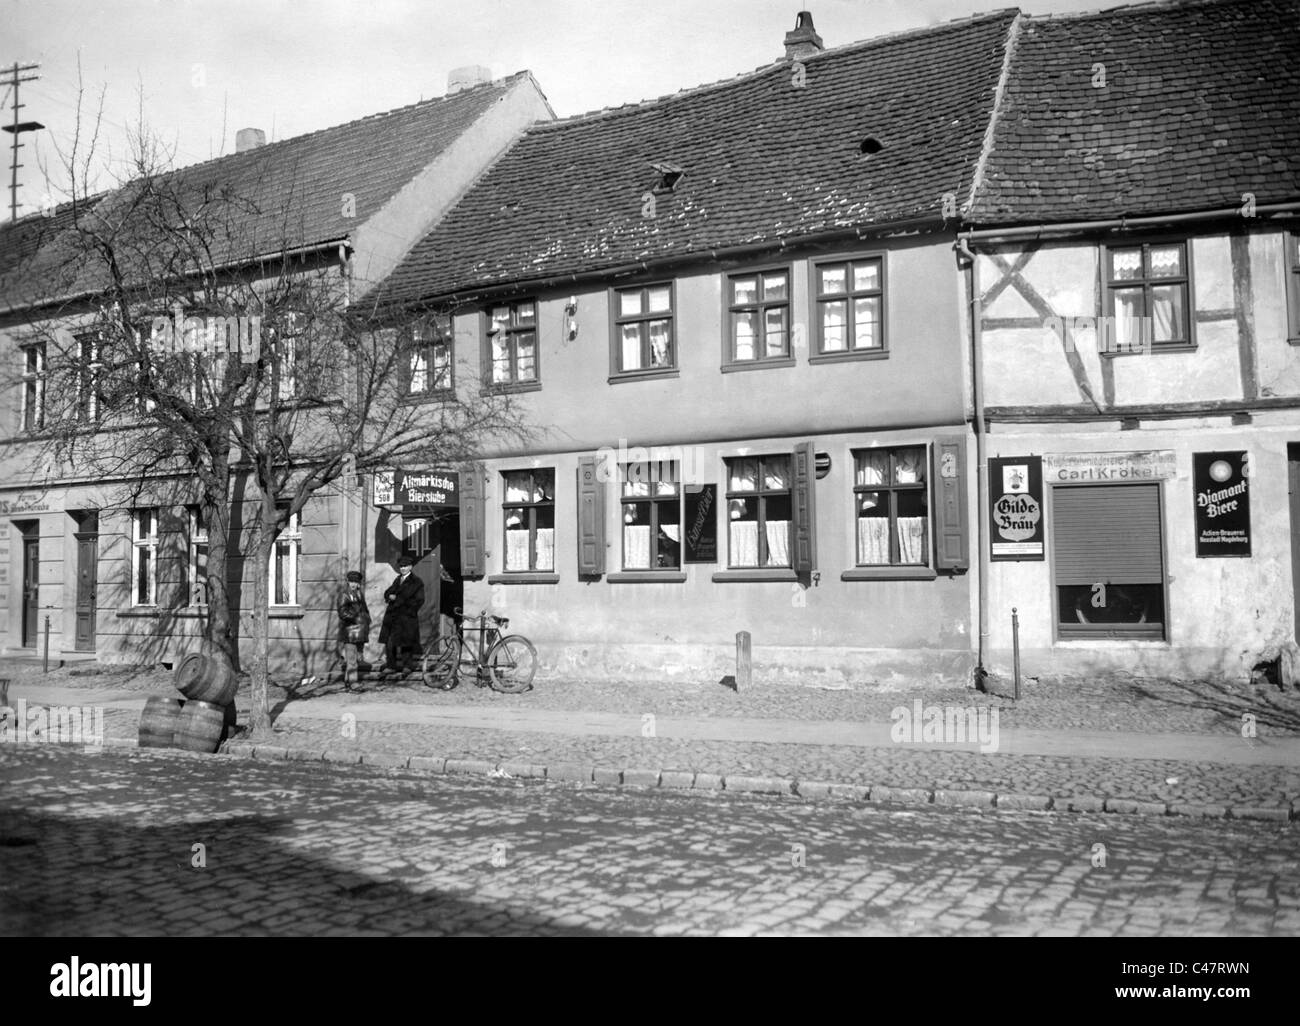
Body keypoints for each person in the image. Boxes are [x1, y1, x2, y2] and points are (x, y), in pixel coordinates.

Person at [379, 555, 425, 674]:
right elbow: (389, 592)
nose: (403, 568)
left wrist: (406, 609)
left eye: (405, 566)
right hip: (393, 617)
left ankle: (407, 666)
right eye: (401, 566)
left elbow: (419, 600)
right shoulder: (397, 579)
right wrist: (389, 596)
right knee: (390, 642)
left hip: (406, 617)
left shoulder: (416, 582)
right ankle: (391, 666)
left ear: (411, 566)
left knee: (406, 642)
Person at [336, 570, 371, 689]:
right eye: (351, 581)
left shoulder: (360, 594)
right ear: (347, 582)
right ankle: (353, 682)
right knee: (351, 660)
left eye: (356, 582)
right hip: (349, 632)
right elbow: (342, 613)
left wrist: (367, 621)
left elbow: (365, 611)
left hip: (360, 632)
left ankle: (348, 681)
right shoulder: (344, 595)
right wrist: (355, 617)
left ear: (359, 583)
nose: (353, 584)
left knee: (356, 658)